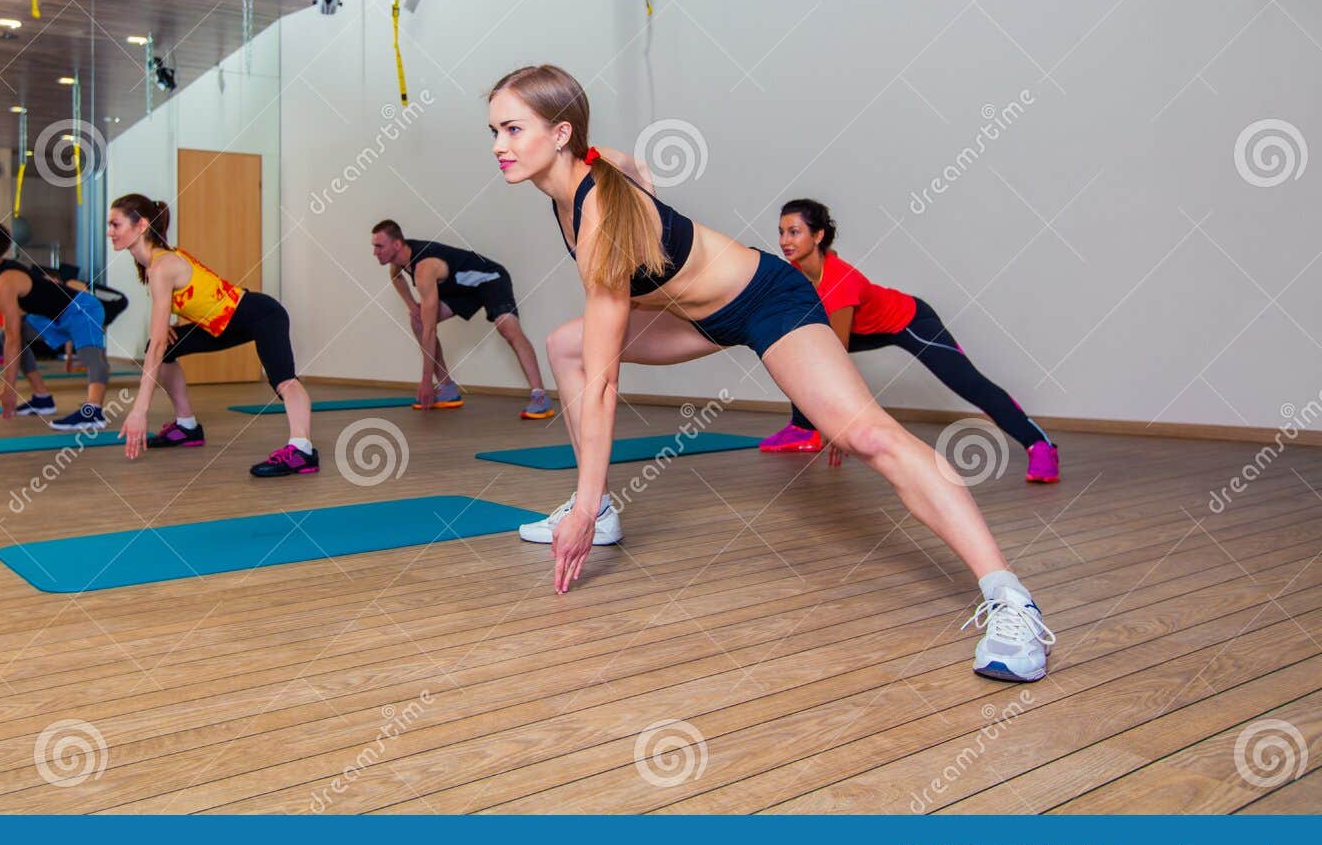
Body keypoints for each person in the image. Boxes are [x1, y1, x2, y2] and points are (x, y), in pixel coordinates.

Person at [489, 64, 1054, 682]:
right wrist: (637, 173)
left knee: (864, 435)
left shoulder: (598, 221)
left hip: (767, 301)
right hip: (698, 315)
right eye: (494, 131)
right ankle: (598, 515)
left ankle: (1009, 599)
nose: (499, 147)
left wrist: (587, 499)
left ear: (561, 133)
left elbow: (603, 383)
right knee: (562, 344)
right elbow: (623, 161)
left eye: (514, 130)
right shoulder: (581, 177)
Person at [763, 199, 1060, 483]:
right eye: (781, 232)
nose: (785, 240)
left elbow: (836, 361)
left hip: (909, 322)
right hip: (861, 329)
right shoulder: (799, 272)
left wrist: (840, 423)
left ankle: (1040, 445)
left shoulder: (839, 282)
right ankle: (804, 429)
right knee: (796, 345)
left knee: (968, 382)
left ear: (818, 235)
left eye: (794, 232)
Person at [109, 193, 318, 478]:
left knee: (282, 380)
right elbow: (200, 296)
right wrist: (171, 325)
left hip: (260, 314)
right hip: (219, 324)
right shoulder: (155, 263)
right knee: (167, 347)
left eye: (115, 224)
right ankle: (187, 427)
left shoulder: (162, 266)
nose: (110, 232)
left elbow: (157, 344)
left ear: (141, 225)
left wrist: (139, 410)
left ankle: (302, 450)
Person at [370, 220, 555, 418]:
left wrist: (425, 382)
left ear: (396, 245)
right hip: (463, 290)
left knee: (506, 327)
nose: (375, 252)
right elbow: (396, 275)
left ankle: (540, 396)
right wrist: (411, 305)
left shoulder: (424, 267)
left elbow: (431, 330)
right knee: (418, 320)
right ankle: (447, 389)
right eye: (374, 246)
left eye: (379, 246)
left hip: (490, 280)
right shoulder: (401, 259)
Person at [0, 222, 111, 431]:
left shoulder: (5, 281)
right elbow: (14, 333)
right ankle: (42, 398)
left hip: (81, 308)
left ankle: (93, 412)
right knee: (12, 333)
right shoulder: (4, 275)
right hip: (52, 318)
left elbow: (14, 339)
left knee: (90, 355)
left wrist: (9, 387)